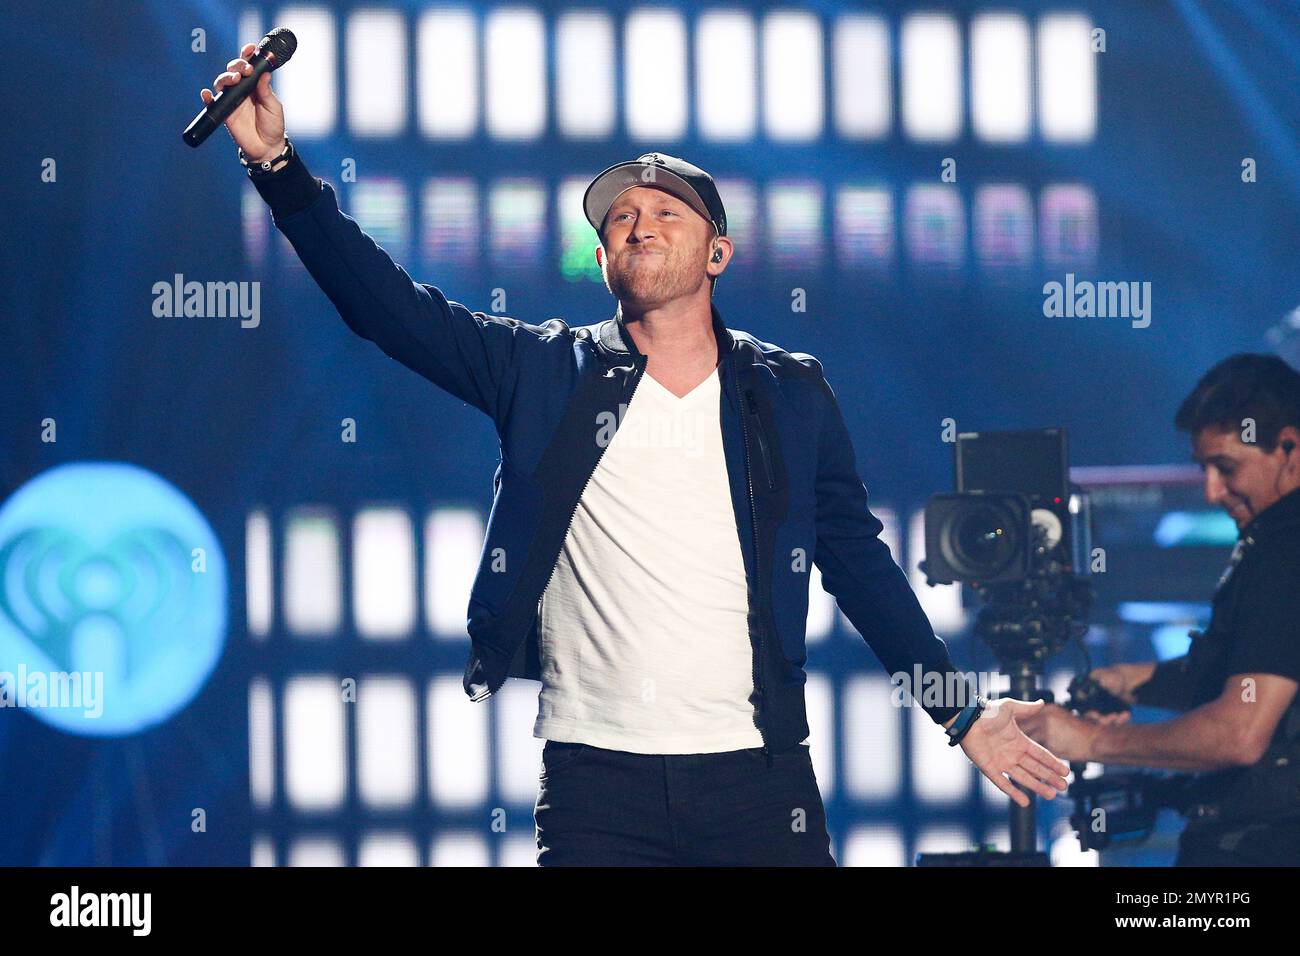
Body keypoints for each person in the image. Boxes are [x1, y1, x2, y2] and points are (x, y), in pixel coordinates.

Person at [202, 44, 1068, 866]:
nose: (639, 224)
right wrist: (278, 170)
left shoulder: (789, 394)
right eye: (621, 218)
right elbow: (386, 309)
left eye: (665, 212)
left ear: (718, 252)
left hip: (759, 780)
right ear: (602, 258)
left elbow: (858, 564)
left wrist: (960, 714)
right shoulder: (543, 371)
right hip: (596, 784)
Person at [1020, 354, 1300, 865]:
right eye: (1205, 469)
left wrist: (1089, 740)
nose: (1213, 491)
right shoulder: (1272, 545)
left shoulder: (1284, 551)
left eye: (1227, 467)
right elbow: (1265, 674)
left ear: (1289, 448)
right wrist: (1137, 679)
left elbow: (1240, 734)